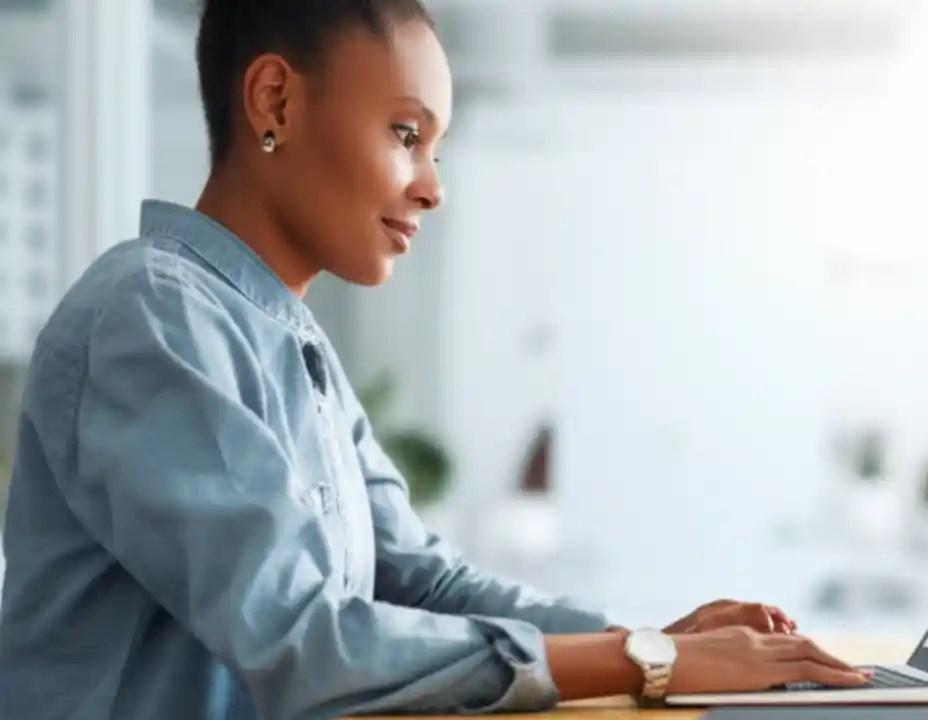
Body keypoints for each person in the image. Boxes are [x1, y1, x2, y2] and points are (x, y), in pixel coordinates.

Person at [0, 2, 871, 718]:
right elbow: (306, 644)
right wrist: (649, 660)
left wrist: (658, 641)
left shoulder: (292, 343)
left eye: (435, 147)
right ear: (274, 102)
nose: (432, 184)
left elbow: (420, 580)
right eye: (405, 133)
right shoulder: (153, 315)